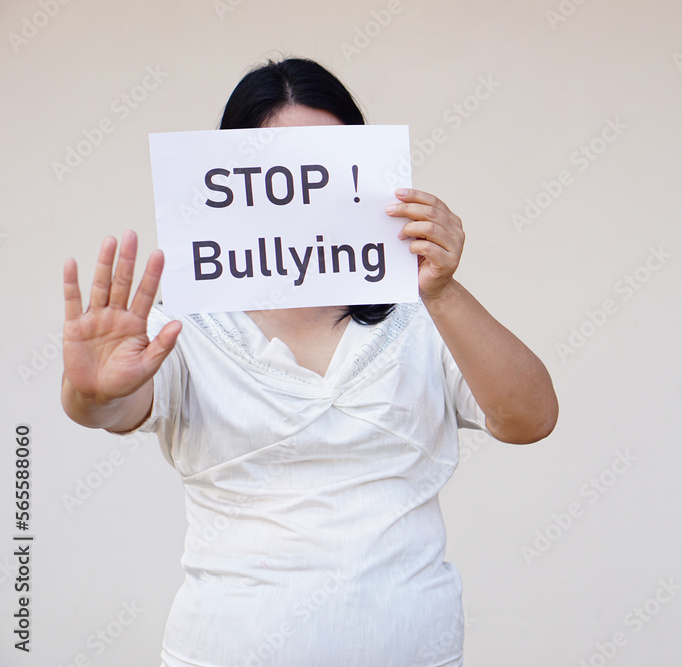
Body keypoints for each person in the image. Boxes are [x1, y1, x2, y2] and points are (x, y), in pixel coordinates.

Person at [60, 57, 558, 667]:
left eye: (324, 170)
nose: (303, 195)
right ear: (229, 186)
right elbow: (116, 407)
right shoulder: (183, 326)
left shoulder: (422, 314)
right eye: (278, 174)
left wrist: (444, 291)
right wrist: (91, 393)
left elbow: (530, 419)